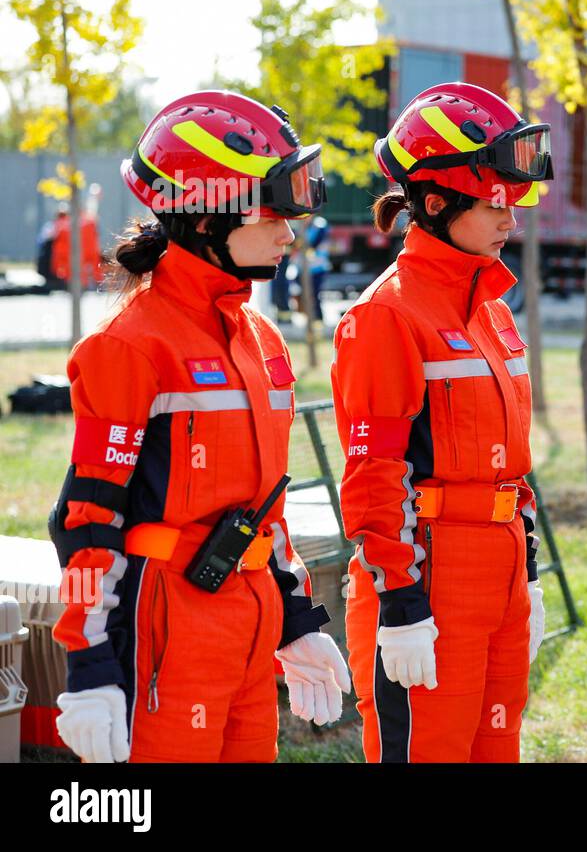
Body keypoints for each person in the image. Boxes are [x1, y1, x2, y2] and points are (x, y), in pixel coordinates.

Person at [48, 90, 349, 763]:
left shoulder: (262, 341)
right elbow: (84, 520)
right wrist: (91, 666)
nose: (289, 232)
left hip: (249, 630)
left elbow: (267, 511)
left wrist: (298, 621)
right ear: (210, 215)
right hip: (165, 636)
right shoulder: (131, 346)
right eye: (273, 213)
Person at [334, 81, 552, 762]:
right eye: (494, 204)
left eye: (512, 204)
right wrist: (400, 603)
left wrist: (531, 569)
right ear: (436, 202)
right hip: (429, 578)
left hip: (502, 571)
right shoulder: (387, 315)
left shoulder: (493, 310)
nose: (509, 220)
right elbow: (374, 474)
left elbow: (512, 462)